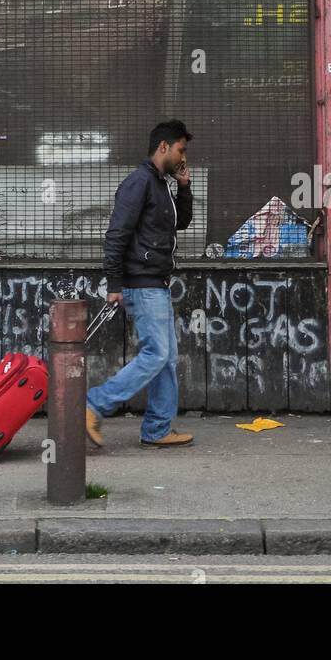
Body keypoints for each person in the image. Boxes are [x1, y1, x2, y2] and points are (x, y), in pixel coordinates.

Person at [86, 119, 195, 448]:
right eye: (181, 149)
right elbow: (117, 234)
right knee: (156, 354)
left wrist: (184, 187)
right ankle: (93, 405)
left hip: (156, 283)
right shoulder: (139, 183)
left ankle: (157, 429)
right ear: (164, 147)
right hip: (142, 283)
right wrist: (114, 282)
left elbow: (182, 222)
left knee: (167, 358)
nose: (184, 155)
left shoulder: (161, 184)